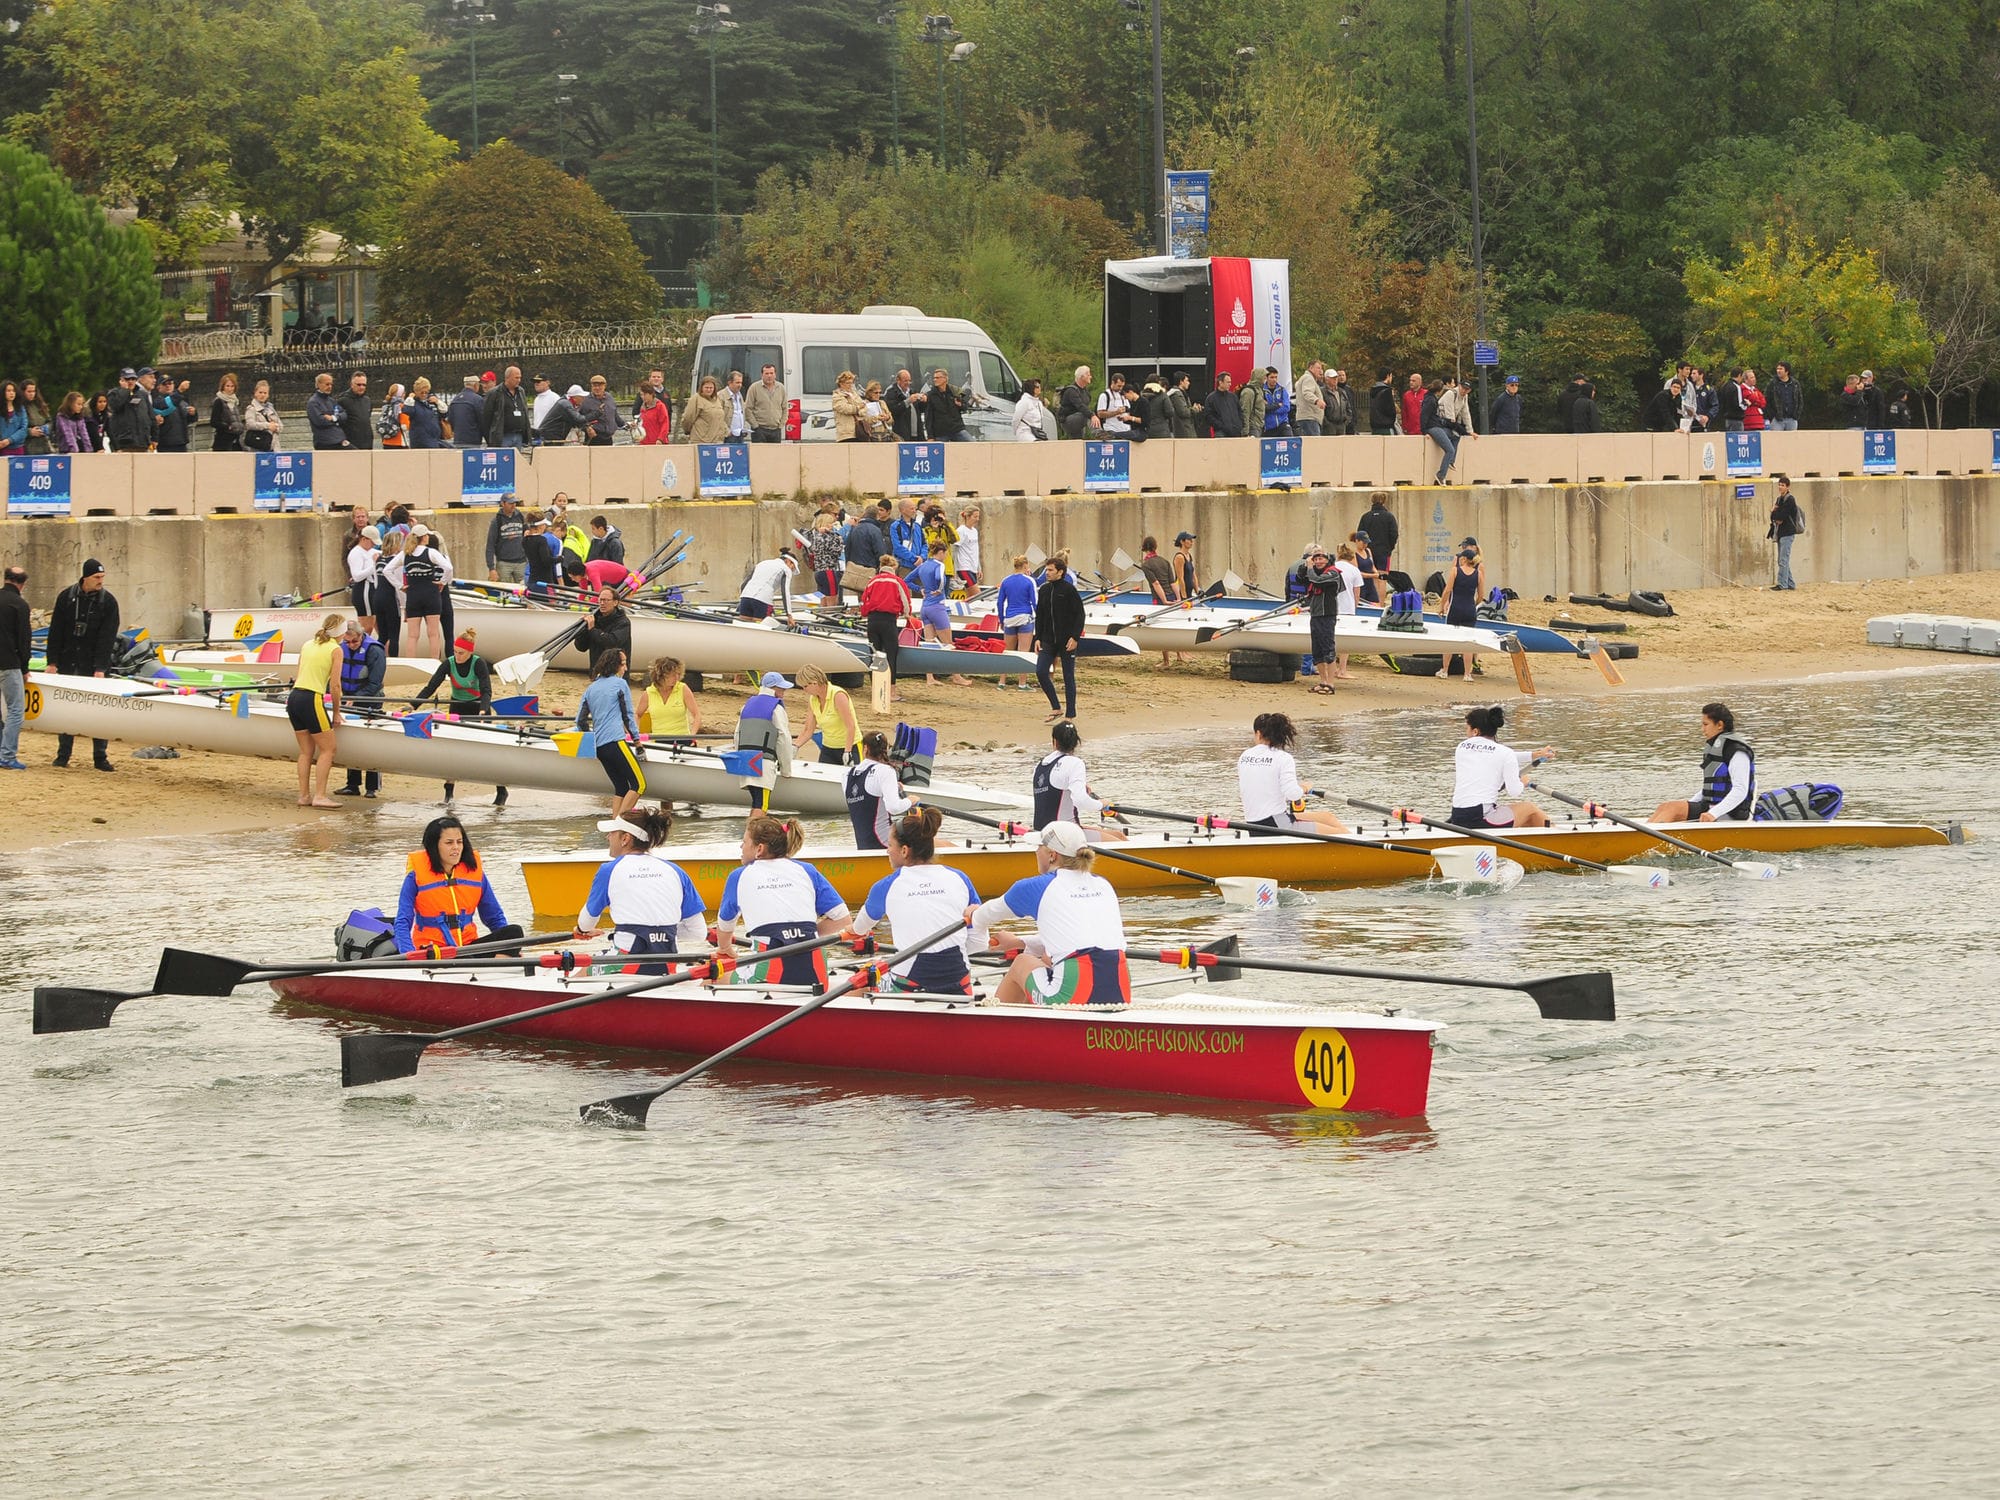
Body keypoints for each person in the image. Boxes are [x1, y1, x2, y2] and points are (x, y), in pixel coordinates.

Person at [972, 822, 1131, 1008]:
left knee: (1022, 962)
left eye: (1039, 847)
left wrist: (972, 912)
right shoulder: (1103, 884)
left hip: (1075, 993)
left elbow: (982, 917)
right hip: (1120, 990)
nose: (1035, 852)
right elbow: (1073, 938)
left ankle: (994, 1028)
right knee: (1048, 958)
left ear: (1052, 855)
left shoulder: (1033, 887)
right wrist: (1022, 943)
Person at [852, 807, 980, 995]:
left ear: (904, 851)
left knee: (863, 978)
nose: (887, 850)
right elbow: (979, 942)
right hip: (959, 983)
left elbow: (859, 930)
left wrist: (851, 931)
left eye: (890, 845)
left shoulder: (886, 886)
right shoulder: (960, 878)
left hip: (910, 986)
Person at [715, 815, 852, 985]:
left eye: (744, 841)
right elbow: (843, 919)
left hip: (770, 972)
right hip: (817, 973)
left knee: (712, 979)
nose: (741, 846)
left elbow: (725, 928)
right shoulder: (807, 870)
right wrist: (801, 936)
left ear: (759, 849)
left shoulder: (739, 876)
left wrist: (725, 949)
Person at [571, 809, 706, 975]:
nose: (608, 837)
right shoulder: (675, 870)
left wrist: (582, 930)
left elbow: (586, 923)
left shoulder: (609, 870)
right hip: (667, 966)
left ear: (625, 839)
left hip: (625, 962)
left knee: (574, 978)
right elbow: (698, 932)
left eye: (612, 833)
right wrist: (660, 932)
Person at [396, 816, 521, 957]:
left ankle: (499, 968)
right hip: (434, 952)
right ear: (434, 846)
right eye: (449, 843)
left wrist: (510, 948)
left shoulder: (475, 873)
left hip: (468, 949)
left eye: (459, 842)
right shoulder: (414, 877)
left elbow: (495, 917)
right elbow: (402, 922)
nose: (456, 847)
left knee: (514, 932)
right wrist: (409, 955)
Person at [413, 633, 508, 807]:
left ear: (470, 652)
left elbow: (487, 690)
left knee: (487, 752)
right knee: (452, 751)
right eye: (455, 652)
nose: (457, 656)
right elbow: (431, 686)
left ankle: (501, 789)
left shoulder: (478, 663)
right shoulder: (448, 663)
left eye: (461, 653)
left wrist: (483, 711)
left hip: (478, 708)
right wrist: (413, 706)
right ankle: (449, 794)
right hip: (457, 708)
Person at [48, 559, 119, 771]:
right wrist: (52, 662)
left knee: (98, 711)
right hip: (68, 660)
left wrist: (100, 668)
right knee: (66, 710)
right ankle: (63, 755)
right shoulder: (67, 598)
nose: (100, 581)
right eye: (97, 578)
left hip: (92, 663)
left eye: (102, 578)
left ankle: (100, 756)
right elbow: (55, 633)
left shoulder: (108, 602)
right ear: (85, 578)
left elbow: (107, 639)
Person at [1238, 711, 1348, 835]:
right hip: (1275, 826)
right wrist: (1304, 788)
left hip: (1255, 824)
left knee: (1328, 817)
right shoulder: (1283, 758)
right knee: (1341, 833)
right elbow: (1293, 795)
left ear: (1258, 734)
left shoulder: (1245, 756)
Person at [1446, 705, 1550, 829]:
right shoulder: (1505, 753)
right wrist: (1522, 783)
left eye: (1466, 728)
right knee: (1530, 809)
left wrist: (1535, 755)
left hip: (1457, 816)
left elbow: (1496, 757)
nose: (1466, 732)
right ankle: (1558, 841)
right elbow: (1514, 792)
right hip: (1482, 819)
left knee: (1520, 816)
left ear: (1475, 731)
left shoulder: (1461, 748)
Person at [1653, 703, 1755, 824]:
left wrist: (1713, 814)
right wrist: (1688, 804)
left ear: (1720, 725)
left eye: (1706, 724)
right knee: (1665, 807)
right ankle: (1642, 837)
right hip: (1710, 806)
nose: (1703, 729)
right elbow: (1709, 790)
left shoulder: (1737, 751)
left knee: (1672, 808)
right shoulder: (1717, 747)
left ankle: (1646, 841)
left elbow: (1740, 790)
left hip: (1731, 813)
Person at [577, 647, 645, 817]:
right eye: (623, 664)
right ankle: (619, 823)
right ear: (615, 665)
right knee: (639, 785)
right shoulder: (620, 684)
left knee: (621, 787)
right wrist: (638, 744)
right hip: (615, 742)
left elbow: (580, 721)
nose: (626, 668)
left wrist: (591, 739)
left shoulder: (591, 689)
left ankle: (614, 827)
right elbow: (628, 716)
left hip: (599, 747)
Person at [287, 612, 344, 808]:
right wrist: (336, 712)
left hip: (294, 697)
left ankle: (304, 796)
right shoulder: (336, 649)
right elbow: (335, 686)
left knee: (306, 751)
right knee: (328, 748)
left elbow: (300, 672)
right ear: (341, 633)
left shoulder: (307, 644)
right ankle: (319, 796)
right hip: (311, 698)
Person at [1032, 721, 1124, 840]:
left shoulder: (1039, 766)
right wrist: (1102, 804)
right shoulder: (1075, 763)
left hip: (1043, 832)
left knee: (1118, 835)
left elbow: (1052, 792)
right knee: (1120, 841)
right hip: (1066, 834)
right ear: (1076, 743)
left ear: (1054, 742)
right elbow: (1080, 801)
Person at [333, 618, 387, 799]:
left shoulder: (375, 650)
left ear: (362, 635)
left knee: (371, 743)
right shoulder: (341, 649)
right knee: (352, 741)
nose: (351, 645)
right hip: (348, 699)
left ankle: (372, 787)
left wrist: (356, 699)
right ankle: (352, 784)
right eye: (347, 642)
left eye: (354, 641)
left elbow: (375, 682)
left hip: (370, 700)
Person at [1033, 552, 1084, 723]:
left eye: (1050, 570)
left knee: (1068, 676)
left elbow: (1080, 615)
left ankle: (1070, 714)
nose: (1047, 573)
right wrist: (1037, 637)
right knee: (1041, 671)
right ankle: (1056, 707)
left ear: (1060, 572)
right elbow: (1040, 615)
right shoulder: (1045, 590)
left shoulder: (1069, 590)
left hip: (1067, 640)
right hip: (1048, 639)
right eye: (1046, 570)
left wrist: (1075, 637)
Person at [389, 523, 452, 660]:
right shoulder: (431, 552)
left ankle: (412, 665)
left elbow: (387, 570)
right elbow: (449, 568)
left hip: (413, 595)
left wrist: (400, 586)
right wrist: (443, 581)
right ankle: (434, 664)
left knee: (412, 636)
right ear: (424, 537)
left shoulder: (405, 554)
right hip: (431, 594)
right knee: (433, 634)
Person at [735, 671, 795, 811]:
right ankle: (752, 832)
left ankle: (750, 831)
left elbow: (737, 735)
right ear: (773, 688)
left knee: (756, 802)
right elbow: (783, 739)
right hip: (763, 764)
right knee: (762, 806)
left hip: (746, 762)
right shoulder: (776, 708)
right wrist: (786, 769)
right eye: (781, 689)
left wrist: (741, 761)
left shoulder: (746, 706)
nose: (784, 692)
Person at [845, 729, 914, 849]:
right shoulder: (885, 771)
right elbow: (894, 808)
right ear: (885, 749)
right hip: (886, 844)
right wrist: (911, 800)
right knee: (937, 843)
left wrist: (892, 787)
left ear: (865, 748)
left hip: (863, 846)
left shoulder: (847, 776)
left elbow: (864, 801)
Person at [909, 540, 965, 686]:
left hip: (925, 607)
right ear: (940, 552)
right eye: (945, 553)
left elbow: (907, 580)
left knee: (929, 643)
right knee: (948, 643)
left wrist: (918, 589)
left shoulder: (923, 565)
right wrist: (939, 590)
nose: (946, 556)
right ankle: (956, 676)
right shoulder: (939, 565)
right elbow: (940, 578)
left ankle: (930, 677)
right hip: (937, 606)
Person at [859, 554, 912, 699]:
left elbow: (864, 601)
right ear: (894, 567)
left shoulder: (872, 581)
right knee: (891, 655)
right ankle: (891, 692)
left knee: (875, 655)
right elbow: (905, 601)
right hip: (888, 621)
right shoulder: (897, 581)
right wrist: (907, 614)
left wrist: (865, 613)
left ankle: (876, 690)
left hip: (872, 620)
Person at [1298, 542, 1345, 696]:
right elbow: (1301, 578)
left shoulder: (1333, 573)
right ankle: (1323, 681)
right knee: (1316, 649)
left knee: (1328, 649)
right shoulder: (1314, 573)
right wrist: (1305, 566)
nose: (1318, 561)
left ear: (1327, 560)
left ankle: (1331, 684)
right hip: (1315, 614)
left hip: (1327, 615)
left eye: (1321, 559)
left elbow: (1317, 581)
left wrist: (1311, 569)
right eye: (1315, 559)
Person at [794, 663, 860, 765]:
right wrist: (795, 746)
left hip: (851, 746)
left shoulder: (838, 695)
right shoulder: (813, 699)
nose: (804, 690)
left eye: (805, 686)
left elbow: (851, 726)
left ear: (814, 683)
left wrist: (848, 751)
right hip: (828, 748)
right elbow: (808, 730)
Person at [1441, 537, 1486, 680]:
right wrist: (1475, 604)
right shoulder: (1478, 573)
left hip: (1455, 608)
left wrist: (1442, 606)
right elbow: (1481, 595)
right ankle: (1467, 674)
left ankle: (1445, 671)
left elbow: (1447, 590)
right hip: (1470, 609)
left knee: (1449, 641)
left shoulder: (1455, 571)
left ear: (1465, 559)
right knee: (1468, 643)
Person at [994, 552, 1039, 689]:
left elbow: (1000, 602)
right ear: (1025, 566)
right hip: (1025, 617)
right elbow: (1035, 602)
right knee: (1023, 652)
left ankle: (1002, 681)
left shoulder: (1006, 580)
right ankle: (1022, 683)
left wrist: (1001, 619)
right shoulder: (1029, 581)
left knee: (1007, 651)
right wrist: (1040, 620)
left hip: (1010, 618)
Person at [0, 563, 29, 770]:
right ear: (23, 584)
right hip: (9, 663)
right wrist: (25, 668)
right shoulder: (19, 605)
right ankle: (7, 755)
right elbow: (24, 640)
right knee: (16, 710)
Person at [574, 586, 633, 672]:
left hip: (616, 674)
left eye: (606, 600)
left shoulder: (623, 622)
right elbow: (581, 647)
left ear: (615, 602)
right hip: (597, 672)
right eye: (600, 600)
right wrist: (583, 629)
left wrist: (592, 630)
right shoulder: (595, 619)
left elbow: (612, 642)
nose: (602, 603)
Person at [641, 656, 700, 742]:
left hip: (682, 738)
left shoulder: (682, 688)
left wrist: (692, 735)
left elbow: (697, 715)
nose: (676, 678)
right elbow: (637, 714)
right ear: (661, 676)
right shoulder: (649, 693)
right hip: (658, 740)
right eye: (672, 675)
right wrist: (636, 735)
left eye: (678, 674)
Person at [737, 548, 799, 622]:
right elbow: (785, 592)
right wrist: (789, 615)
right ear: (788, 561)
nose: (792, 570)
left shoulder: (762, 563)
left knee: (745, 627)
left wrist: (742, 601)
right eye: (793, 567)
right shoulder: (786, 569)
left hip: (746, 597)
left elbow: (744, 584)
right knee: (760, 629)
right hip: (762, 600)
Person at [1330, 543, 1363, 679]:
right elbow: (1357, 593)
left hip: (1331, 606)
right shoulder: (1354, 570)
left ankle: (1330, 667)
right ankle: (1342, 669)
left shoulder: (1331, 568)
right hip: (1347, 607)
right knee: (1346, 640)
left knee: (1330, 638)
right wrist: (1355, 607)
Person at [1768, 474, 1805, 591]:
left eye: (1783, 485)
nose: (1780, 487)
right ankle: (1790, 583)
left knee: (1783, 559)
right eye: (1779, 485)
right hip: (1780, 533)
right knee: (1782, 559)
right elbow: (1773, 516)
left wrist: (1775, 513)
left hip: (1788, 533)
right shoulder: (1779, 499)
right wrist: (1774, 513)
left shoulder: (1790, 500)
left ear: (1788, 487)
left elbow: (1781, 516)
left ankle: (1782, 584)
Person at [486, 493, 528, 583]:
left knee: (523, 589)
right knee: (504, 590)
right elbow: (490, 545)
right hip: (504, 563)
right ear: (503, 504)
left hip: (521, 562)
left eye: (514, 503)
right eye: (510, 503)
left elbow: (527, 536)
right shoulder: (497, 521)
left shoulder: (520, 517)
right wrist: (491, 568)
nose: (513, 505)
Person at [346, 524, 380, 628]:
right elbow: (357, 576)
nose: (374, 545)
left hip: (372, 590)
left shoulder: (372, 551)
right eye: (372, 542)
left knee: (381, 628)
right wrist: (374, 565)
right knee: (367, 628)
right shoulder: (356, 553)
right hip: (363, 591)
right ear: (364, 539)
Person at [745, 363, 788, 443]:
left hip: (776, 430)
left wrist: (781, 425)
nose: (769, 376)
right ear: (762, 375)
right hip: (759, 430)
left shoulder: (781, 388)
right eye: (766, 373)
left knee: (774, 455)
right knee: (760, 455)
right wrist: (755, 427)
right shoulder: (754, 388)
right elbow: (748, 409)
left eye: (771, 373)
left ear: (775, 374)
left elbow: (785, 408)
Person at [207, 372, 243, 451]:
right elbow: (214, 421)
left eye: (232, 386)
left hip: (236, 440)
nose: (230, 389)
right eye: (227, 386)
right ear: (223, 387)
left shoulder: (235, 401)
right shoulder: (218, 401)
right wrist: (228, 427)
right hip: (223, 440)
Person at [1202, 372, 1243, 437]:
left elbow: (1240, 412)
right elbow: (1208, 416)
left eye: (1230, 382)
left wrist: (1239, 425)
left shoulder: (1233, 396)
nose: (1230, 384)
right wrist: (1221, 426)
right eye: (1228, 382)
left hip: (1236, 432)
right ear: (1220, 382)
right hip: (1221, 433)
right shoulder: (1211, 398)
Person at [952, 506, 982, 593]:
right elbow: (955, 549)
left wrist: (978, 568)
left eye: (978, 517)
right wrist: (954, 570)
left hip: (973, 567)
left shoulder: (974, 531)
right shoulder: (961, 531)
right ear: (968, 517)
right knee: (977, 595)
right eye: (975, 517)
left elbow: (975, 550)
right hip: (964, 567)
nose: (977, 519)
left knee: (970, 596)